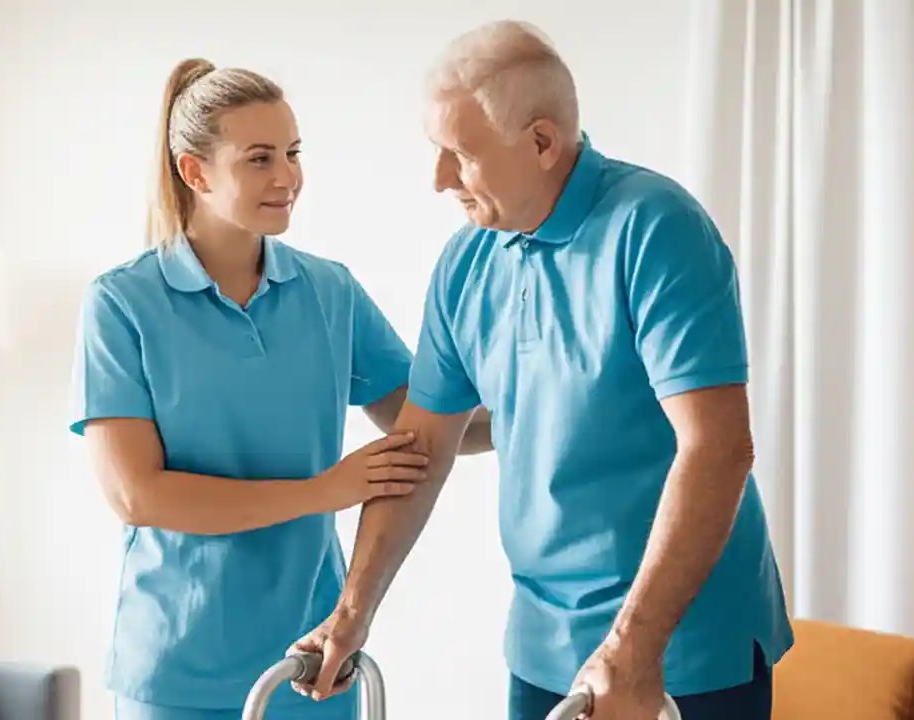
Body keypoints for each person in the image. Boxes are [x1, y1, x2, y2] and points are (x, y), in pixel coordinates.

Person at [291, 20, 795, 720]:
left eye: (459, 155)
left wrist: (634, 647)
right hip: (544, 642)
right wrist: (351, 613)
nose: (439, 180)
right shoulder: (468, 263)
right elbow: (421, 450)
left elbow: (718, 447)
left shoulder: (655, 228)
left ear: (541, 143)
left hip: (682, 644)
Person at [68, 58, 492, 720]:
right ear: (195, 171)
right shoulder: (122, 304)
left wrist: (552, 408)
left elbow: (428, 426)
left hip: (311, 662)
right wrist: (326, 491)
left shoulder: (330, 292)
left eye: (293, 153)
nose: (287, 177)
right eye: (260, 159)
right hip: (181, 668)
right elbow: (137, 494)